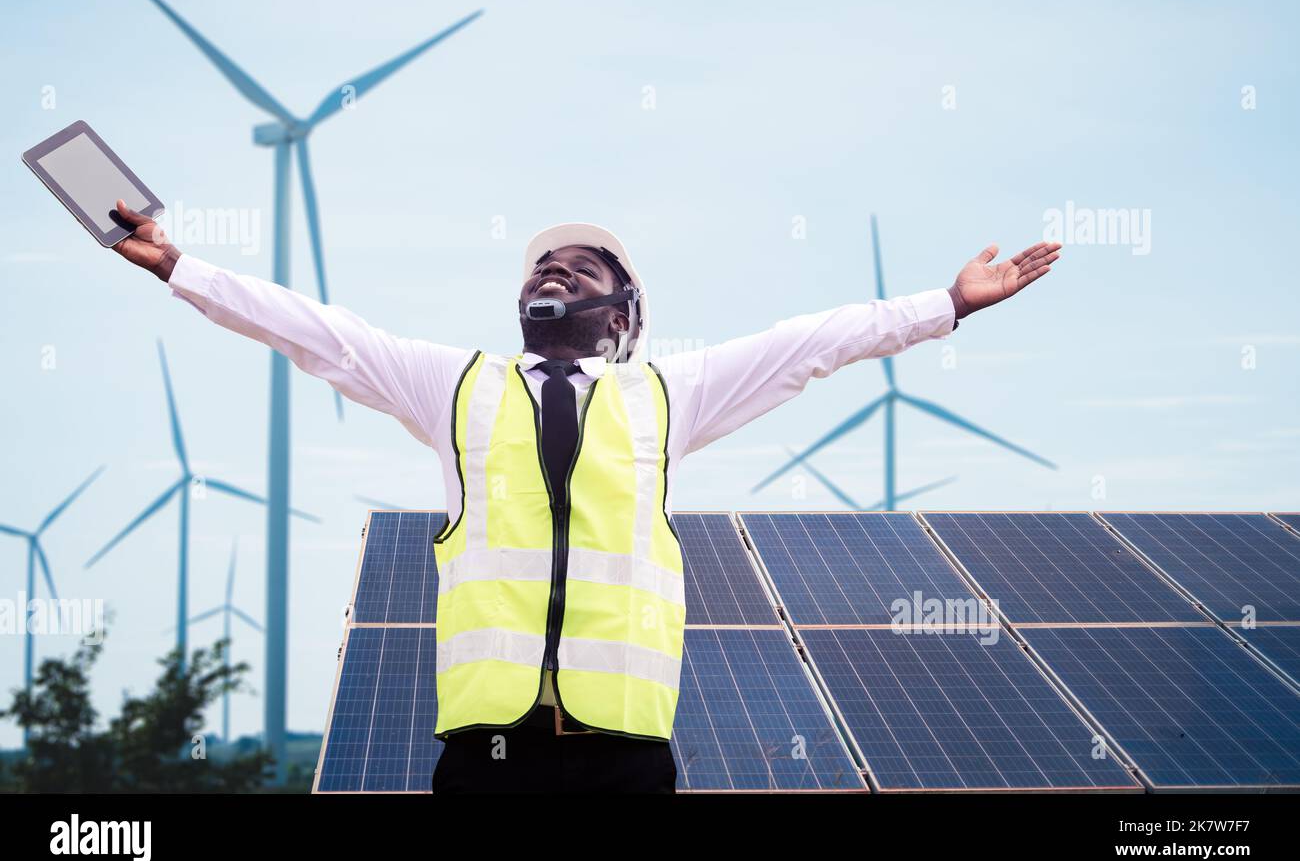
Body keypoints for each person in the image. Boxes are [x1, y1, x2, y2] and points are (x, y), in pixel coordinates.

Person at [110, 198, 1060, 793]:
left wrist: (948, 304)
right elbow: (317, 332)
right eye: (540, 266)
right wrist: (181, 269)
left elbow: (810, 342)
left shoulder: (669, 394)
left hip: (624, 754)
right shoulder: (451, 382)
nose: (552, 271)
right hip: (486, 755)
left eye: (582, 268)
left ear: (623, 315)